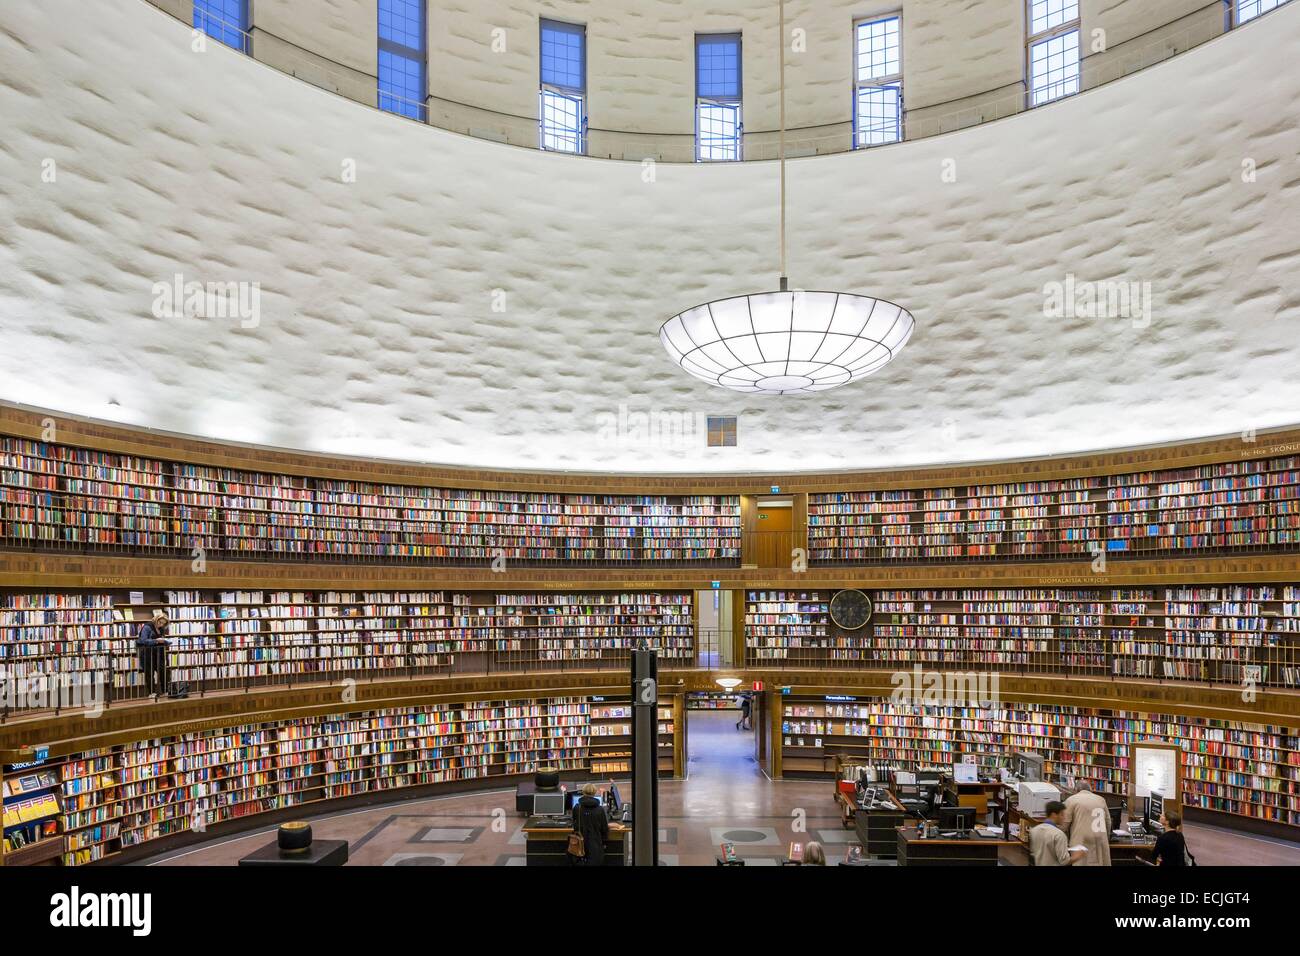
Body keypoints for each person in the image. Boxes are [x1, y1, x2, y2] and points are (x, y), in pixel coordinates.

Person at [1061, 785, 1113, 866]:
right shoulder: (1101, 799)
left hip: (1081, 840)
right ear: (1090, 790)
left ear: (1076, 790)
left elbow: (1064, 824)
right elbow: (1108, 822)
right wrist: (1107, 837)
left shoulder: (1071, 800)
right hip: (1100, 839)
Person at [1028, 801, 1085, 866]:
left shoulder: (1034, 830)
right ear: (1054, 815)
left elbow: (1033, 853)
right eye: (1062, 814)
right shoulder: (1059, 835)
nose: (1064, 817)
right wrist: (1078, 856)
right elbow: (1064, 861)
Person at [569, 783, 608, 866]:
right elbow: (604, 829)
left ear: (583, 792)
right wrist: (604, 843)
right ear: (594, 793)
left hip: (580, 845)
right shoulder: (600, 809)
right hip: (596, 845)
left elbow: (575, 824)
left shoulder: (577, 808)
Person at [135, 611, 170, 699]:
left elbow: (161, 639)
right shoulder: (147, 627)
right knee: (149, 674)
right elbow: (143, 640)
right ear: (156, 619)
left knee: (163, 672)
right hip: (148, 654)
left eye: (163, 624)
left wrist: (165, 642)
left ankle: (165, 691)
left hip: (159, 654)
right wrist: (156, 641)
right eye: (160, 622)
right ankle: (152, 692)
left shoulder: (161, 629)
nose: (161, 625)